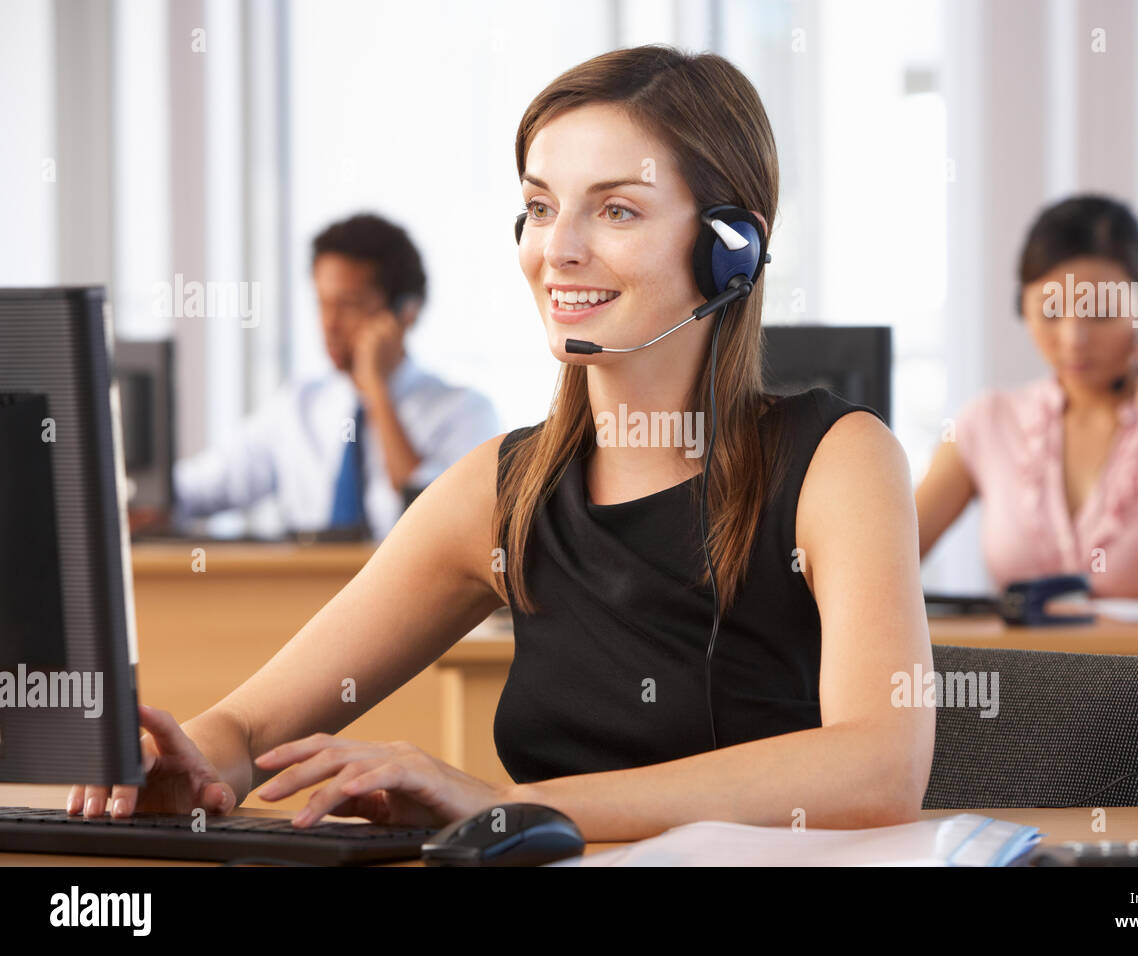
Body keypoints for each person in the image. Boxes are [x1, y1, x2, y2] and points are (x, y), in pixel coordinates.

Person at [68, 46, 932, 842]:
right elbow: (253, 728)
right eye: (540, 207)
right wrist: (193, 761)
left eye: (616, 210)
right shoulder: (504, 488)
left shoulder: (835, 461)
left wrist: (513, 806)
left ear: (729, 250)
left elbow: (879, 767)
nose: (558, 250)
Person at [915, 195, 1138, 598]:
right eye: (1050, 313)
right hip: (1021, 664)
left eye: (1100, 314)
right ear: (1021, 307)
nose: (1074, 339)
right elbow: (885, 556)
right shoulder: (986, 421)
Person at [168, 212, 500, 539]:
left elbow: (437, 515)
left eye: (350, 305)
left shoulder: (464, 411)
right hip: (308, 592)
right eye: (323, 303)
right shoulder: (297, 405)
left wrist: (376, 393)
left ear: (405, 313)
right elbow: (194, 489)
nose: (329, 324)